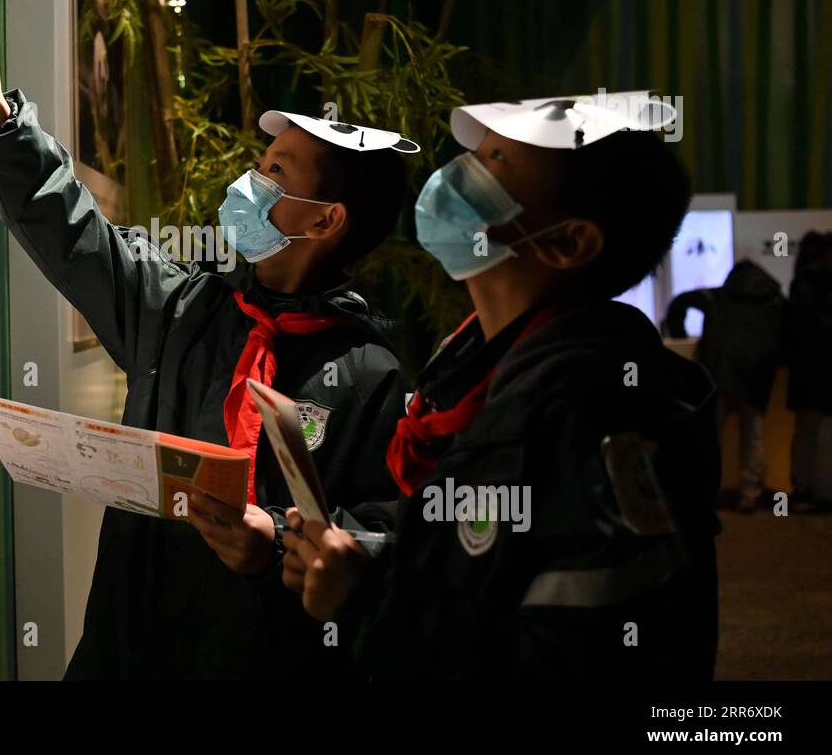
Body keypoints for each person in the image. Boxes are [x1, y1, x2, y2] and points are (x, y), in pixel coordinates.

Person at [0, 0, 414, 679]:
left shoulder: (370, 376)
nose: (249, 182)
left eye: (275, 172)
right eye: (260, 162)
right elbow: (77, 235)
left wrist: (273, 542)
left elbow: (384, 542)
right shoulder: (183, 309)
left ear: (324, 221)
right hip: (127, 653)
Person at [284, 93, 722, 679]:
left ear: (568, 242)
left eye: (494, 162)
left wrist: (365, 605)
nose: (453, 174)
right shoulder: (474, 377)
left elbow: (578, 662)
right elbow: (488, 574)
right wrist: (377, 562)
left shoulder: (591, 416)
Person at [665, 259, 784, 512]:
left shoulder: (717, 296)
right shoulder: (774, 301)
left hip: (719, 375)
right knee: (753, 436)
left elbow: (679, 303)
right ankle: (750, 492)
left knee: (710, 438)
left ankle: (706, 492)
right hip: (756, 378)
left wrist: (678, 334)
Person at [783, 231, 832, 507]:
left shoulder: (801, 282)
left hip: (807, 371)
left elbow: (794, 331)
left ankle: (804, 489)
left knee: (805, 432)